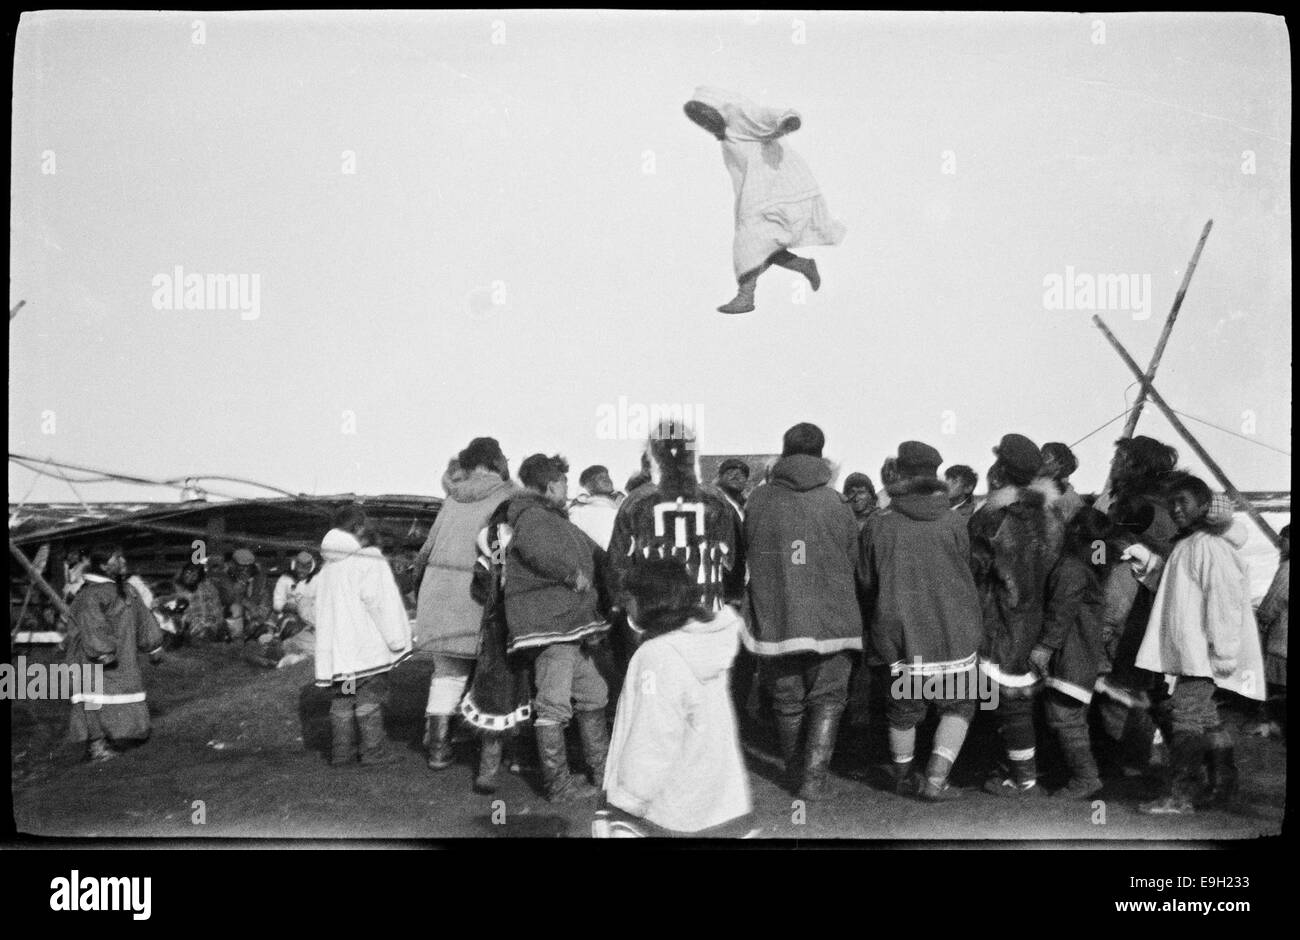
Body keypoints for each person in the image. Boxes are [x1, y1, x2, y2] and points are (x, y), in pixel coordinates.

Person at [1128, 474, 1266, 814]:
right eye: (1172, 503)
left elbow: (1225, 602)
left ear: (1204, 507)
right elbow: (1176, 587)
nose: (1175, 509)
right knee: (1205, 717)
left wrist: (1223, 652)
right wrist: (1146, 566)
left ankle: (1181, 794)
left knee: (1186, 717)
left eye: (1183, 503)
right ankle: (1223, 784)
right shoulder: (1190, 543)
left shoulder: (1208, 546)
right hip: (1197, 653)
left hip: (1203, 654)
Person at [742, 422, 863, 800]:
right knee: (828, 699)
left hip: (776, 619)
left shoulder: (758, 500)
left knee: (787, 701)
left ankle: (794, 773)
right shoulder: (835, 502)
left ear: (784, 451)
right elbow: (853, 559)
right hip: (833, 620)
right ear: (821, 454)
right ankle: (814, 781)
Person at [860, 442, 984, 801]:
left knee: (903, 708)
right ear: (937, 476)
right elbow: (966, 568)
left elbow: (866, 581)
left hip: (899, 632)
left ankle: (902, 779)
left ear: (900, 473)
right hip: (954, 630)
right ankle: (935, 781)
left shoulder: (879, 524)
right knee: (959, 703)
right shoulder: (954, 521)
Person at [597, 558, 755, 837]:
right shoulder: (704, 644)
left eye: (630, 598)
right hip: (723, 802)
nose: (625, 607)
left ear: (649, 600)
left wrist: (628, 801)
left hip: (674, 811)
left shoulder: (658, 655)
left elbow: (654, 735)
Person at [504, 453, 612, 803]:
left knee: (594, 692)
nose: (567, 487)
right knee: (553, 705)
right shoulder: (533, 517)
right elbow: (534, 550)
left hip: (569, 627)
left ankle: (602, 771)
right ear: (550, 486)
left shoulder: (553, 518)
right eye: (563, 482)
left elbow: (593, 551)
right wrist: (569, 573)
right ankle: (558, 785)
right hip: (550, 627)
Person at [684, 87, 845, 314]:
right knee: (763, 244)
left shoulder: (740, 119)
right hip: (756, 194)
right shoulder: (726, 134)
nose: (705, 123)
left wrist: (786, 121)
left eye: (706, 116)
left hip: (776, 190)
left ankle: (745, 297)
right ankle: (803, 265)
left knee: (749, 243)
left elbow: (766, 115)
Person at [412, 438, 518, 770]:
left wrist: (423, 595)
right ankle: (490, 750)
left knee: (447, 673)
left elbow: (424, 554)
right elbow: (502, 551)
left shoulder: (452, 501)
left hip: (439, 595)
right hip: (479, 598)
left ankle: (438, 747)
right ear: (498, 462)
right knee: (491, 673)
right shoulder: (509, 498)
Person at [969, 433, 1064, 798]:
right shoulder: (1052, 515)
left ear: (999, 472)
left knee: (1007, 702)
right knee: (1020, 699)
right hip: (1038, 621)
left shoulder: (992, 518)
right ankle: (1015, 767)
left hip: (998, 621)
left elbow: (972, 570)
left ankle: (1023, 778)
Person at [609, 420, 742, 631]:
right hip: (708, 615)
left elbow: (618, 564)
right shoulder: (716, 499)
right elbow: (732, 562)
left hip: (654, 616)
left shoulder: (635, 501)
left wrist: (628, 608)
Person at [314, 504, 414, 766]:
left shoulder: (326, 568)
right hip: (364, 650)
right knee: (369, 695)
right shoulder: (368, 559)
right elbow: (379, 602)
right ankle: (373, 751)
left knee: (344, 697)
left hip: (340, 655)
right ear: (358, 528)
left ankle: (341, 752)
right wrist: (396, 640)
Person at [1032, 508, 1115, 799]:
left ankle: (1085, 777)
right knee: (1071, 717)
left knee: (1065, 717)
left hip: (1071, 655)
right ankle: (1080, 773)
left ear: (1075, 531)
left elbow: (1060, 613)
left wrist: (1043, 648)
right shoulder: (1091, 566)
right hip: (1081, 654)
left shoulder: (1070, 568)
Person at [64, 546, 165, 762]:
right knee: (93, 700)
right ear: (103, 566)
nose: (123, 561)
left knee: (122, 693)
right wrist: (103, 652)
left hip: (123, 658)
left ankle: (115, 739)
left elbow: (143, 618)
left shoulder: (128, 590)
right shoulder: (90, 595)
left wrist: (154, 645)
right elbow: (93, 625)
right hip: (92, 660)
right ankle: (96, 745)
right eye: (116, 558)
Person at [1248, 524, 1288, 738]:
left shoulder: (1287, 568)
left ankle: (1274, 727)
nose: (1281, 545)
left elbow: (1272, 604)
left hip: (1282, 645)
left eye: (1284, 540)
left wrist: (1260, 619)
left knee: (1279, 691)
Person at [154, 560, 225, 644]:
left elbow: (215, 612)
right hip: (184, 625)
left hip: (206, 623)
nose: (190, 577)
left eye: (195, 575)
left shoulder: (206, 588)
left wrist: (208, 624)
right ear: (183, 572)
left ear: (199, 578)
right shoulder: (174, 588)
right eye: (188, 572)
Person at [568, 464, 623, 550]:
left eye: (607, 476)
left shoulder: (625, 504)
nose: (607, 480)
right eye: (600, 478)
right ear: (589, 486)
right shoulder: (578, 511)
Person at [273, 551, 318, 635]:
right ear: (294, 565)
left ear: (311, 567)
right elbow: (277, 604)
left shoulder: (317, 580)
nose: (302, 571)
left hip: (311, 617)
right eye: (300, 567)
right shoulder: (285, 579)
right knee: (290, 627)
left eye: (306, 568)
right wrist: (291, 607)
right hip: (288, 615)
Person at [1041, 442, 1085, 522]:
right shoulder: (1033, 486)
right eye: (1041, 454)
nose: (1040, 460)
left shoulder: (1069, 499)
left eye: (1047, 457)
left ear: (1060, 466)